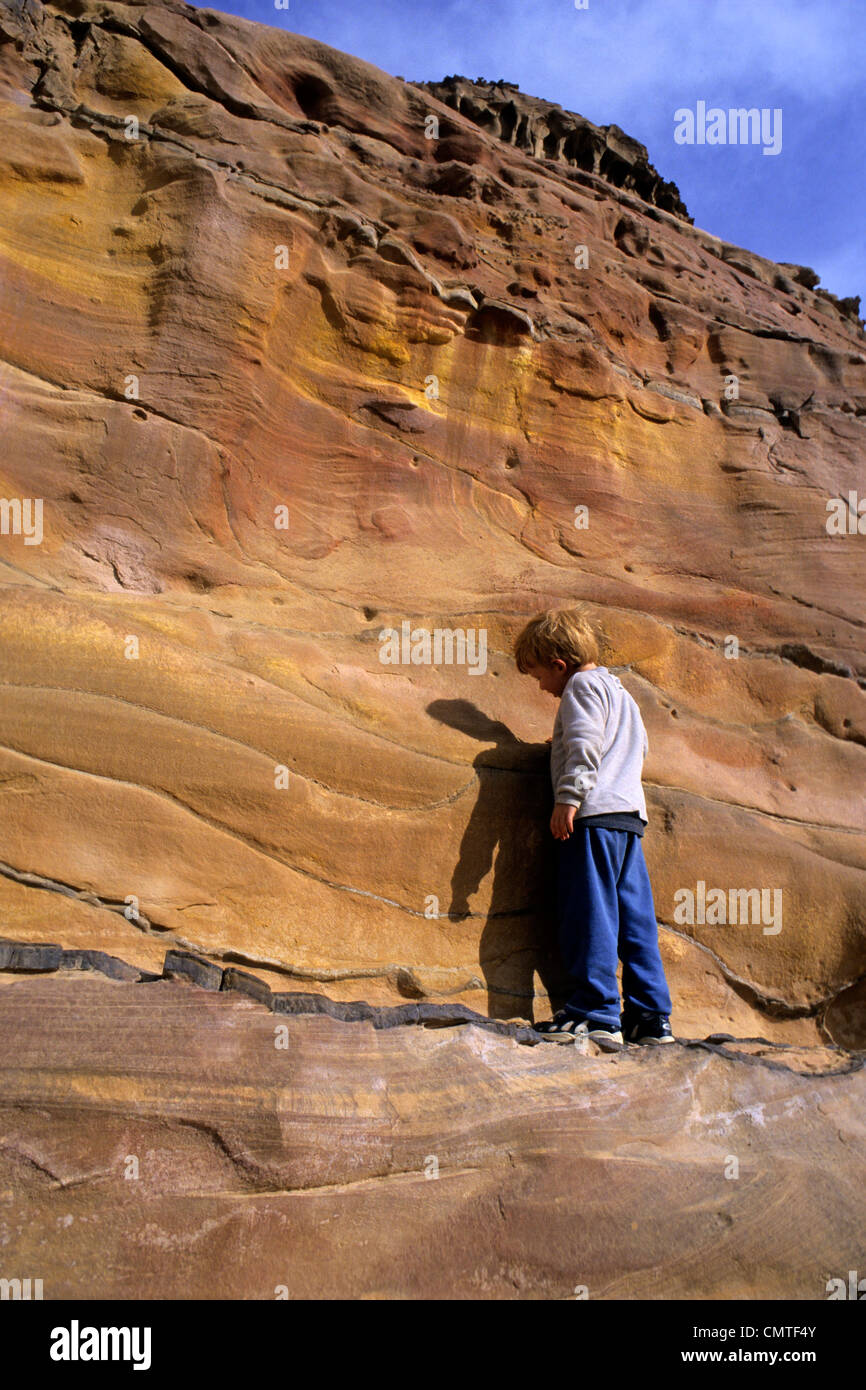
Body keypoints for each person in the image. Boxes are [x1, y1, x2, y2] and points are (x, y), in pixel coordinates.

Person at [513, 606, 674, 1047]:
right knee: (635, 922)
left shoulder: (579, 688)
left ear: (558, 665)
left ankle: (597, 1013)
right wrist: (561, 743)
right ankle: (649, 1018)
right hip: (628, 819)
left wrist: (568, 798)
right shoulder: (620, 691)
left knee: (592, 914)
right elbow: (636, 746)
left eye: (538, 675)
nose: (541, 686)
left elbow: (585, 744)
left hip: (593, 819)